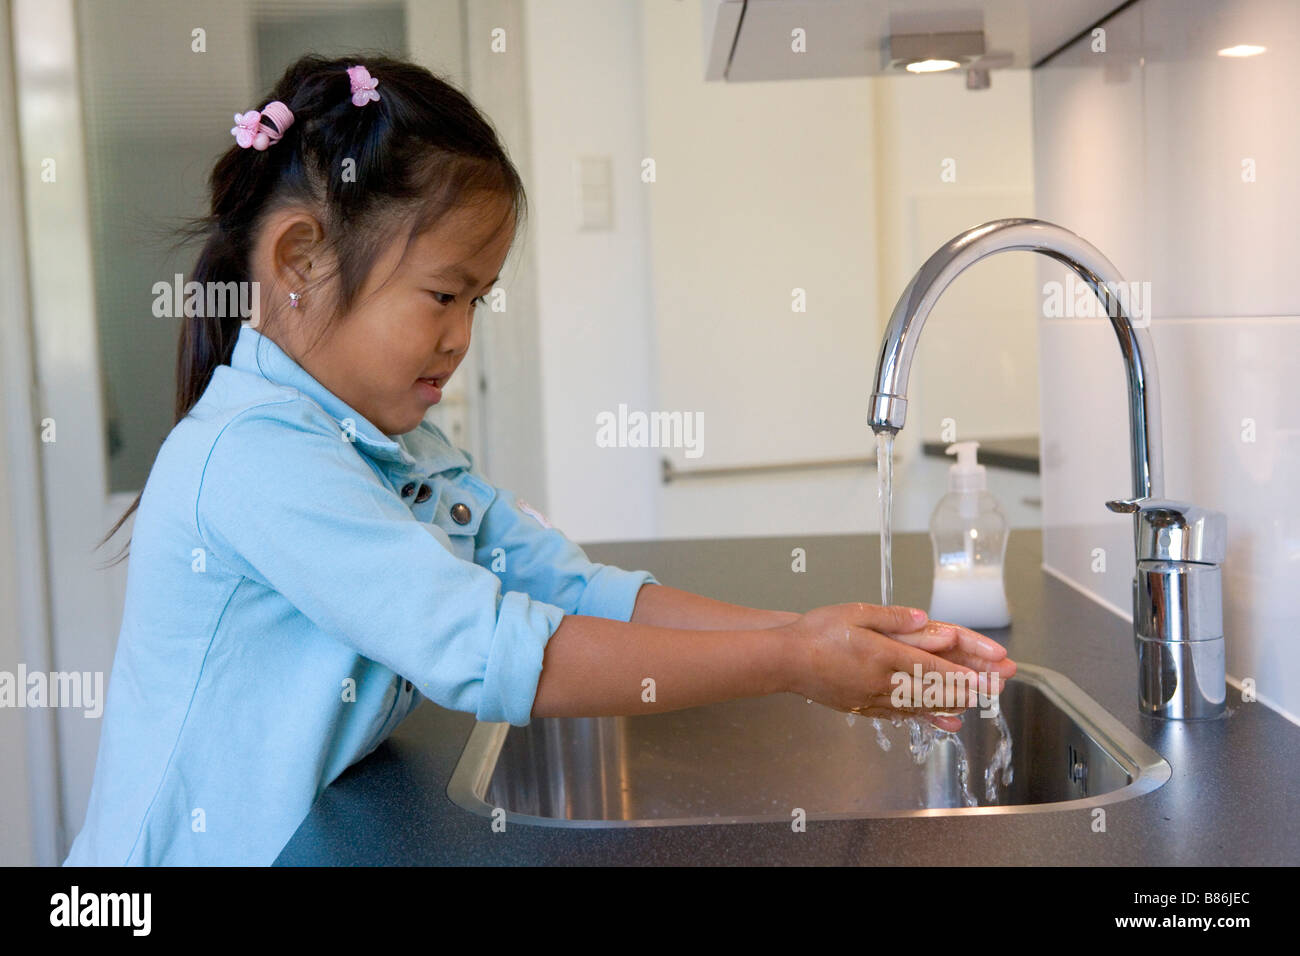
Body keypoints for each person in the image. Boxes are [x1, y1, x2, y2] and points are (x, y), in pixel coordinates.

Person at [64, 54, 1015, 866]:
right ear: (301, 261)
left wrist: (806, 631)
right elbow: (483, 649)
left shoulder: (390, 443)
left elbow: (563, 584)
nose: (462, 336)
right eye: (444, 294)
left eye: (480, 300)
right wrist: (791, 662)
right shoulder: (256, 459)